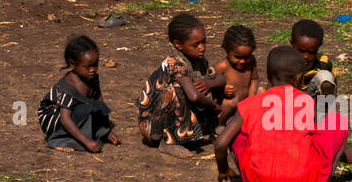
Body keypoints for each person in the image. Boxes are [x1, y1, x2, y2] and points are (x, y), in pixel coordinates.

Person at [214, 45, 352, 182]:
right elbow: (318, 140)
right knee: (338, 121)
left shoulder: (249, 104)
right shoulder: (306, 102)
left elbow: (220, 143)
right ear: (299, 78)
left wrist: (223, 169)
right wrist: (343, 153)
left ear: (267, 75)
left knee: (235, 130)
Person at [137, 13, 222, 158]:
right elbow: (194, 96)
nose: (202, 48)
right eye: (196, 44)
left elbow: (220, 77)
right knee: (177, 89)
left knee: (208, 84)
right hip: (153, 125)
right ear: (178, 44)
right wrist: (215, 107)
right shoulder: (175, 63)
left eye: (204, 42)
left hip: (175, 116)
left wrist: (209, 83)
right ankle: (168, 142)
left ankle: (200, 131)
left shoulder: (198, 59)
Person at [38, 35, 121, 152]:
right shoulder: (69, 87)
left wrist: (105, 131)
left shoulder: (93, 78)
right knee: (85, 110)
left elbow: (100, 102)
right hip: (54, 118)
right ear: (72, 64)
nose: (92, 70)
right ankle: (57, 141)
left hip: (73, 113)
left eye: (95, 65)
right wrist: (87, 142)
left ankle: (89, 134)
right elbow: (65, 119)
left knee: (96, 106)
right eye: (87, 67)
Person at [213, 25, 259, 128]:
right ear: (227, 51)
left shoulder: (251, 62)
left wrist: (252, 95)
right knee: (231, 102)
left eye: (247, 56)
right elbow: (210, 88)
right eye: (237, 57)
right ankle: (220, 125)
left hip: (244, 105)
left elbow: (254, 79)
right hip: (226, 108)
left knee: (261, 92)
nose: (243, 61)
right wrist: (222, 90)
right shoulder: (222, 67)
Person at [292, 19, 336, 97]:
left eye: (311, 52)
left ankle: (322, 108)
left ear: (319, 47)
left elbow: (333, 88)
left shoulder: (323, 64)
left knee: (326, 78)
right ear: (292, 44)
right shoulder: (283, 61)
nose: (305, 57)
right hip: (287, 100)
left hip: (312, 100)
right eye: (301, 51)